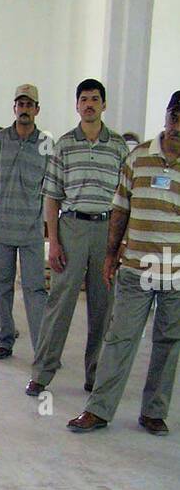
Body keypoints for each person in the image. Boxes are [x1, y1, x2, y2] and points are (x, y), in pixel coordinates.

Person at [68, 90, 180, 437]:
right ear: (166, 116)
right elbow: (120, 208)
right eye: (175, 116)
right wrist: (111, 253)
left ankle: (153, 412)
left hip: (176, 274)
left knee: (168, 341)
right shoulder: (139, 157)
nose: (178, 125)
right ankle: (98, 409)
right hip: (135, 269)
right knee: (120, 339)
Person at [26, 79, 127, 397]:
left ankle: (95, 373)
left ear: (104, 104)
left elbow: (126, 200)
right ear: (77, 105)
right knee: (59, 303)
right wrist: (53, 241)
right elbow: (52, 196)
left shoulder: (119, 147)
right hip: (72, 229)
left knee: (102, 305)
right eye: (84, 99)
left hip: (106, 230)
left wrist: (121, 242)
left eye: (95, 99)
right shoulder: (65, 145)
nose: (89, 105)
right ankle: (42, 373)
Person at [0, 85, 49, 360]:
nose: (24, 109)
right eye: (20, 104)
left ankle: (42, 349)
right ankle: (3, 339)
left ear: (37, 109)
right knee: (2, 286)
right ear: (14, 108)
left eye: (29, 104)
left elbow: (51, 188)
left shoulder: (46, 143)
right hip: (1, 228)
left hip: (32, 230)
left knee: (35, 290)